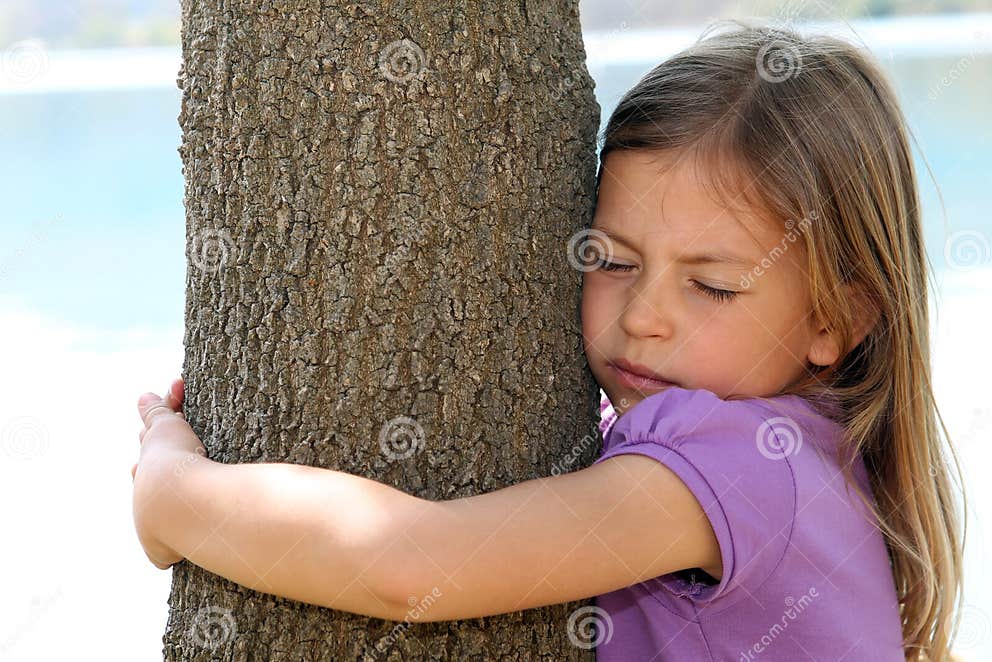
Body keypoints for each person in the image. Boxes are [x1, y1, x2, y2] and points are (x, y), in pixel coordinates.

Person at [131, 19, 966, 661]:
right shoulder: (809, 460)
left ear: (838, 320)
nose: (643, 316)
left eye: (711, 285)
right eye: (609, 259)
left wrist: (172, 491)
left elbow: (409, 565)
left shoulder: (744, 465)